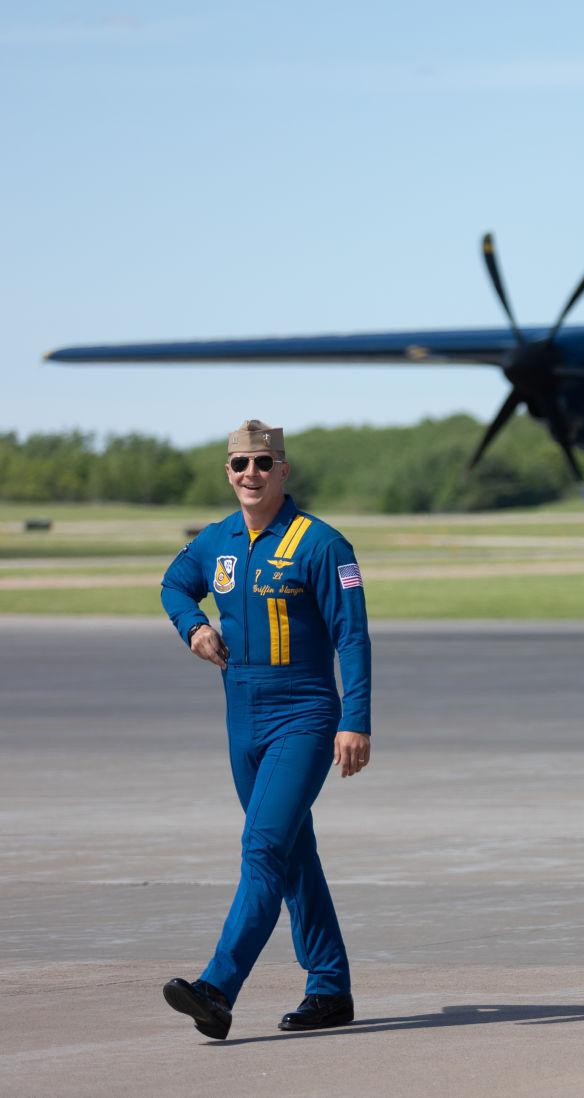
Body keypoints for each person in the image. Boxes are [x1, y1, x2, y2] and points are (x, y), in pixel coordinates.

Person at [157, 421, 372, 1039]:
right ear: (228, 473)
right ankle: (329, 989)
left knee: (262, 849)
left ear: (283, 470)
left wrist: (354, 719)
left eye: (262, 462)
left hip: (304, 713)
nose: (249, 474)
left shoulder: (322, 544)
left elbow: (352, 638)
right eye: (239, 464)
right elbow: (174, 585)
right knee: (290, 851)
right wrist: (193, 627)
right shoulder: (217, 540)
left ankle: (217, 988)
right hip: (241, 713)